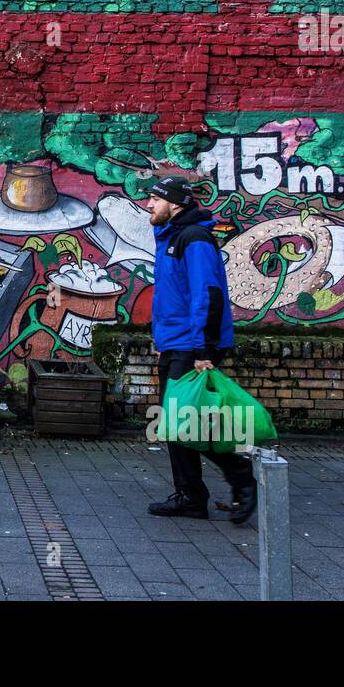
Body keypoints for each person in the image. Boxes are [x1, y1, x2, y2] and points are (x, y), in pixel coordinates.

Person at [143, 174, 257, 523]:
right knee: (175, 424)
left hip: (194, 346)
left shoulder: (194, 239)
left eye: (155, 199)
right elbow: (175, 297)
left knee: (184, 424)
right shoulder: (173, 236)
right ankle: (191, 497)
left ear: (175, 204)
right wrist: (165, 343)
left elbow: (209, 295)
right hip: (178, 343)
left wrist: (202, 350)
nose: (149, 204)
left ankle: (241, 479)